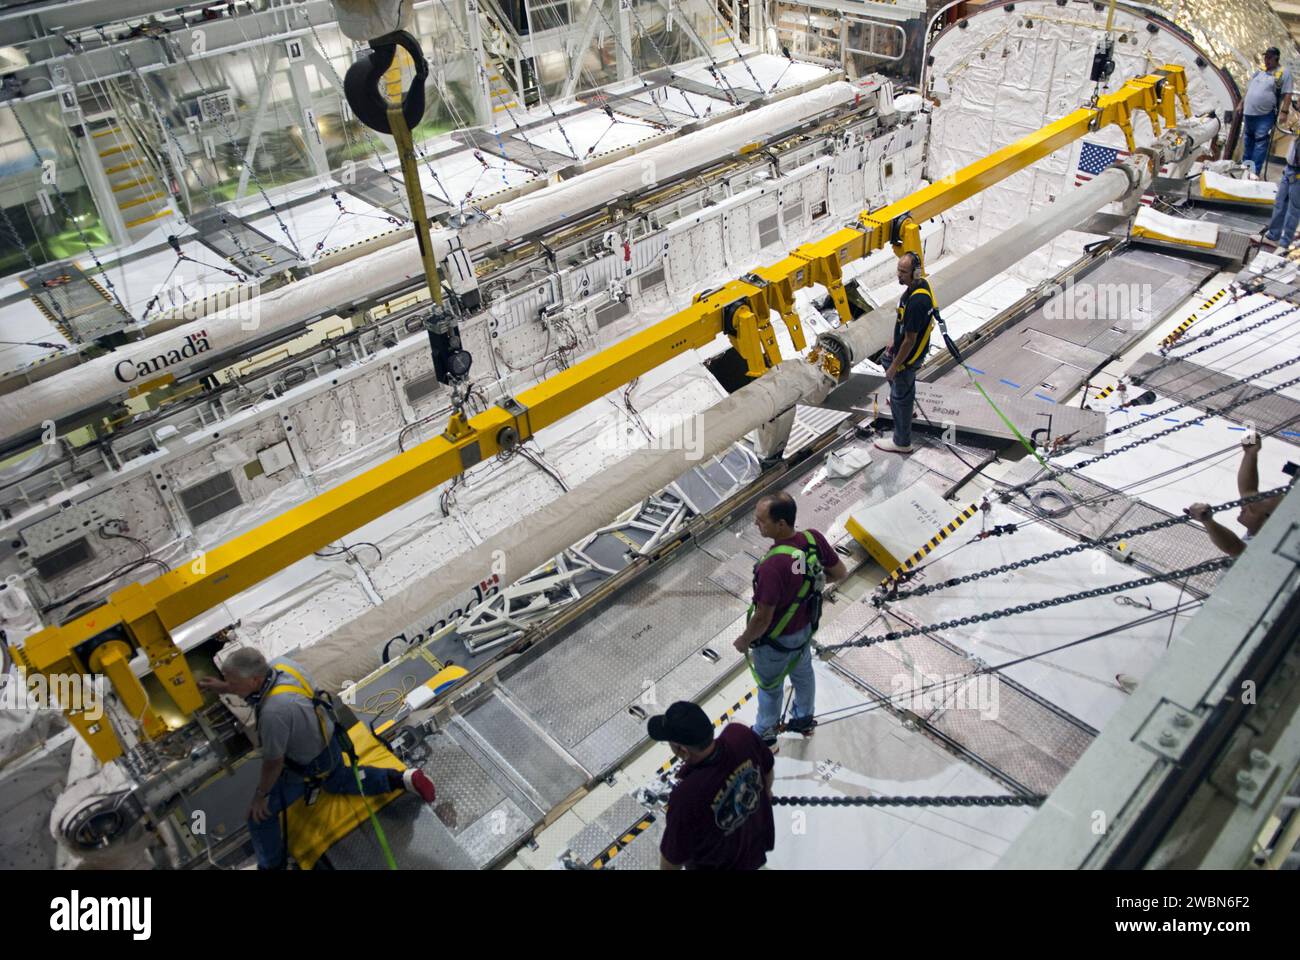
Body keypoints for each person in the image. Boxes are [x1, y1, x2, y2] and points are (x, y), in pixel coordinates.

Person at [198, 647, 436, 869]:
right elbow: (262, 689)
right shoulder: (283, 666)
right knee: (343, 778)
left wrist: (261, 796)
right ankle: (404, 778)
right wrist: (225, 687)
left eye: (232, 681)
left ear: (254, 681)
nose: (229, 685)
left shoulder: (274, 712)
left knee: (259, 818)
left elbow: (274, 763)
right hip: (329, 740)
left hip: (308, 765)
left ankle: (272, 866)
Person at [733, 492, 848, 747]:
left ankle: (765, 732)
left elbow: (763, 618)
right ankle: (804, 718)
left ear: (781, 524)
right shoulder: (812, 539)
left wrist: (744, 640)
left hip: (775, 640)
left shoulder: (772, 567)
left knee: (770, 687)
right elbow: (840, 572)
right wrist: (809, 586)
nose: (756, 524)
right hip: (805, 629)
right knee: (803, 672)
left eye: (761, 521)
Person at [649, 701, 775, 870]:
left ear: (682, 751)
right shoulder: (740, 734)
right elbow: (768, 770)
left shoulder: (686, 797)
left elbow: (672, 860)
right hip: (753, 850)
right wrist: (765, 793)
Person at [875, 250, 936, 454]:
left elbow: (910, 341)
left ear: (915, 273)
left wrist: (894, 367)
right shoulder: (916, 288)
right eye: (898, 270)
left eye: (903, 272)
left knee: (901, 395)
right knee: (886, 361)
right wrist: (894, 339)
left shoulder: (918, 301)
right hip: (903, 349)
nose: (898, 275)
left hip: (907, 359)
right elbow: (904, 323)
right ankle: (902, 402)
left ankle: (902, 442)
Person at [1185, 434, 1284, 557]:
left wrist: (1208, 521)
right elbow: (1248, 490)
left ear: (1267, 521)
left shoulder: (1269, 547)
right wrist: (1250, 454)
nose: (1244, 506)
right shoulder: (1264, 532)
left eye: (1251, 509)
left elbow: (1234, 547)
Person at [1242, 47, 1293, 177]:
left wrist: (1284, 112)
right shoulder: (1260, 72)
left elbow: (1287, 93)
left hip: (1264, 115)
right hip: (1249, 113)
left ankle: (1254, 172)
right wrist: (1240, 104)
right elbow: (1249, 89)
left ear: (1276, 58)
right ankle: (1246, 167)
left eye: (1269, 58)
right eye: (1265, 57)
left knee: (1260, 141)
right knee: (1248, 140)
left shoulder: (1283, 73)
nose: (1266, 60)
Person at [1261, 132, 1300, 249]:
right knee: (1280, 202)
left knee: (1294, 209)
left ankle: (1285, 242)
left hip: (1298, 173)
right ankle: (1273, 235)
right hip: (1290, 167)